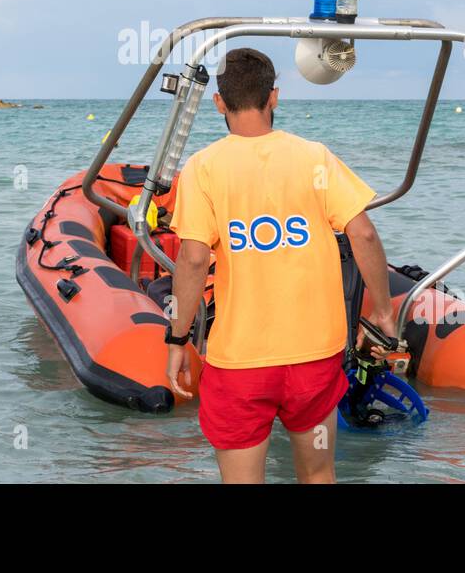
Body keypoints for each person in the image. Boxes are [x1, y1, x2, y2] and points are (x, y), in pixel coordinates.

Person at [165, 47, 395, 483]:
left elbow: (194, 260)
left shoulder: (202, 168)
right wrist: (383, 311)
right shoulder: (314, 157)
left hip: (240, 364)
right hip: (314, 358)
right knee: (318, 474)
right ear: (274, 96)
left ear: (219, 102)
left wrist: (177, 337)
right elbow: (363, 234)